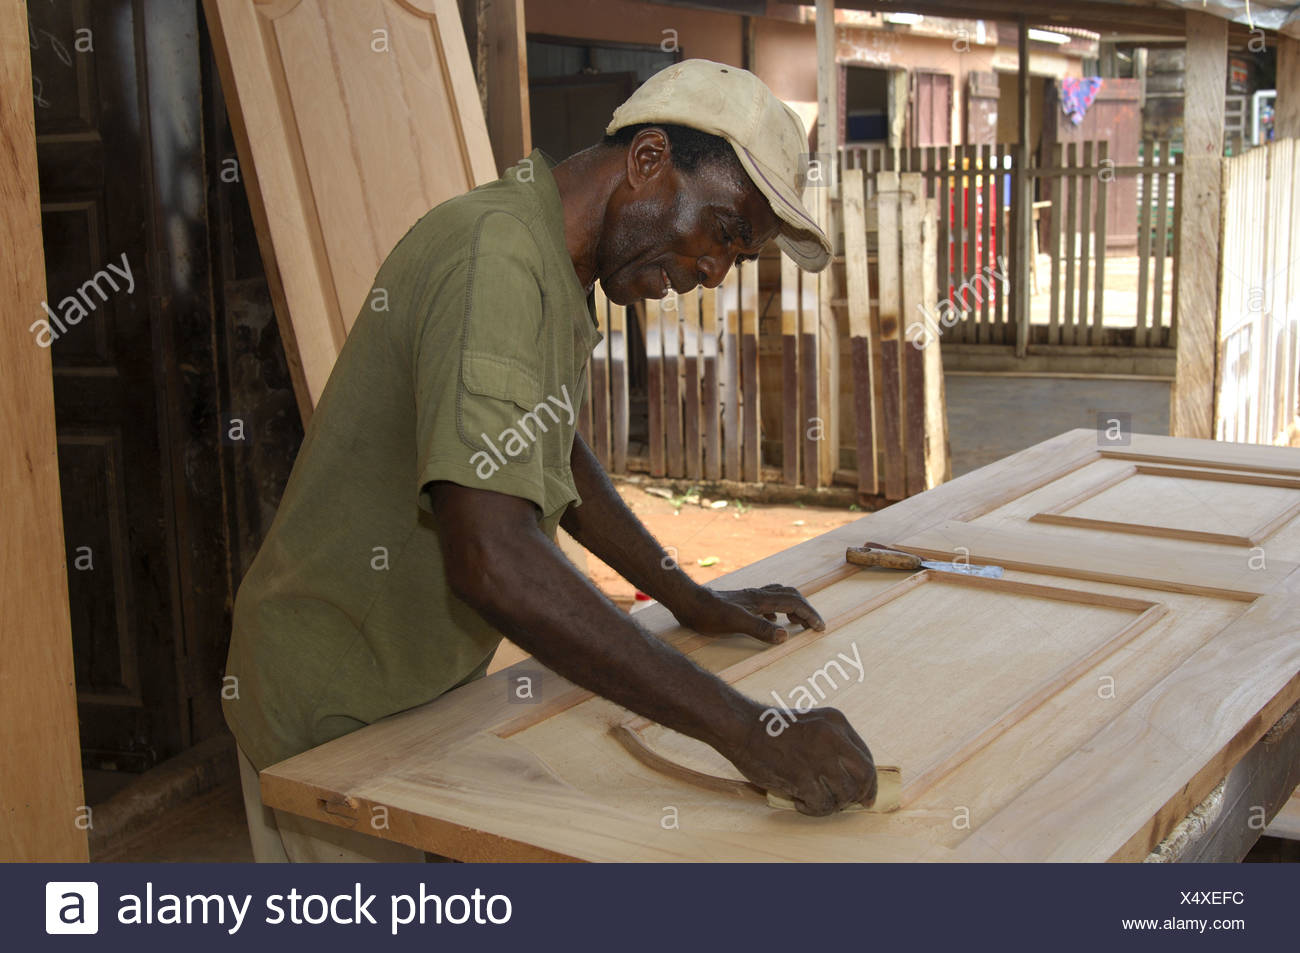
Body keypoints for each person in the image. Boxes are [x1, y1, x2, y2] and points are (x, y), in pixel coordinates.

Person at [225, 59, 878, 862]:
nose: (713, 271)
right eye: (725, 231)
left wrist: (685, 593)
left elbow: (548, 450)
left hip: (415, 685)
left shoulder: (550, 262)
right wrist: (749, 729)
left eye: (736, 259)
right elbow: (490, 555)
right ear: (647, 160)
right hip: (335, 707)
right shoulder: (493, 260)